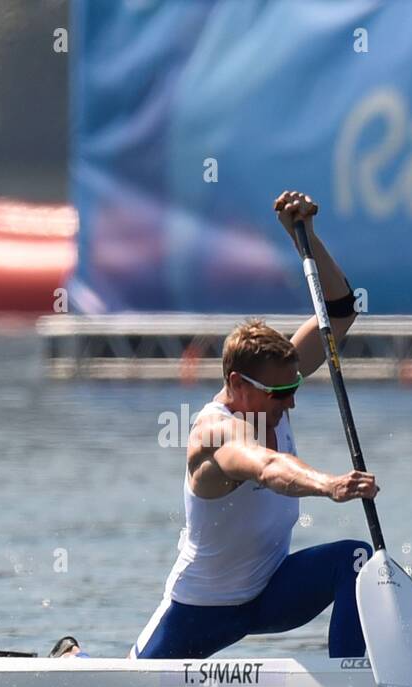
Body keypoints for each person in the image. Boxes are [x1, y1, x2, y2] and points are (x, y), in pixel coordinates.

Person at [128, 190, 375, 660]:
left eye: (295, 387)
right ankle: (70, 655)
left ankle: (352, 679)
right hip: (199, 612)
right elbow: (267, 467)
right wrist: (330, 486)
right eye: (280, 395)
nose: (291, 403)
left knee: (355, 559)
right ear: (237, 384)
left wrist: (306, 239)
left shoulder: (270, 383)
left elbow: (340, 311)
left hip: (269, 595)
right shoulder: (215, 433)